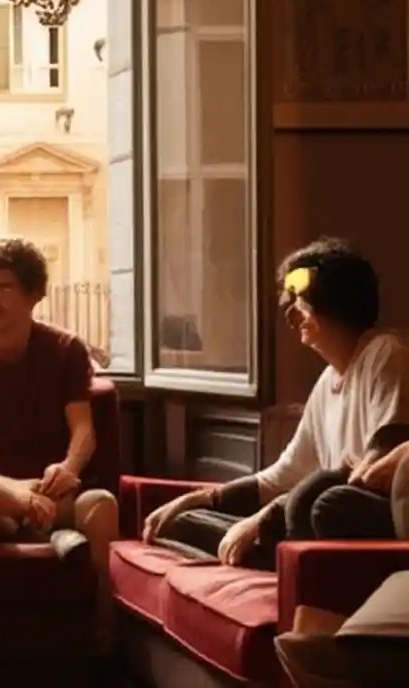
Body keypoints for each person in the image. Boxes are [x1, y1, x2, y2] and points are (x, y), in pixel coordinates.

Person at [143, 238, 409, 568]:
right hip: (311, 515)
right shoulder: (327, 382)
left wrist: (265, 518)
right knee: (182, 521)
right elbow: (284, 475)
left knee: (322, 498)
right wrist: (199, 498)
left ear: (338, 295)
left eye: (301, 298)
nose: (291, 312)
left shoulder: (385, 353)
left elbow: (372, 467)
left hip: (358, 515)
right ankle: (265, 552)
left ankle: (269, 549)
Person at [0, 238, 120, 648]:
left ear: (33, 293)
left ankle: (106, 643)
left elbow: (84, 431)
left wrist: (68, 469)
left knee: (101, 504)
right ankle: (37, 524)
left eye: (3, 288)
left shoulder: (66, 350)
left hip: (50, 492)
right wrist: (16, 495)